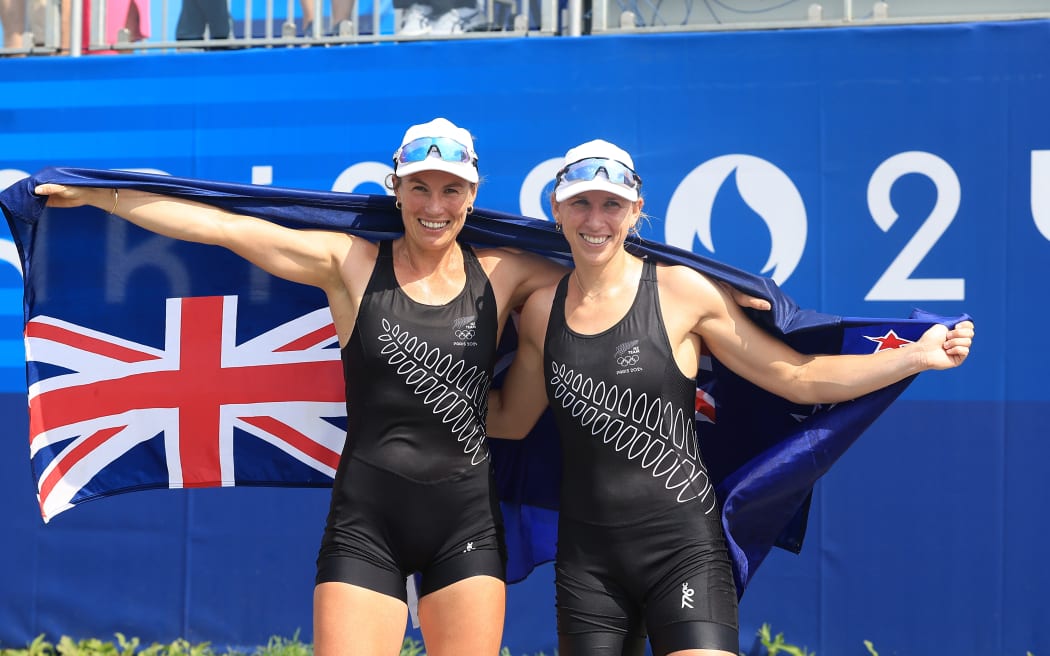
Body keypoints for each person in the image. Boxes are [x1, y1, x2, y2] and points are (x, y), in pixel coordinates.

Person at [32, 117, 569, 656]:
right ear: (397, 190)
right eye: (420, 188)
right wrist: (103, 196)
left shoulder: (507, 273)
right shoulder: (349, 264)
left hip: (466, 525)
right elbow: (223, 228)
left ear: (472, 194)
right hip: (367, 525)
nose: (435, 207)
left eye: (451, 190)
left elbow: (611, 282)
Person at [485, 139, 975, 656]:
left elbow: (797, 377)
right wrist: (403, 407)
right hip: (588, 560)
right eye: (581, 202)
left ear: (636, 212)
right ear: (556, 208)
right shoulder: (541, 310)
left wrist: (913, 358)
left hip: (683, 548)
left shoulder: (682, 292)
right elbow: (513, 420)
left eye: (612, 204)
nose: (596, 219)